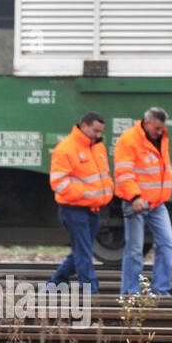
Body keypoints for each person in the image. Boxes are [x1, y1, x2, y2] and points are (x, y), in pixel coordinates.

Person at [47, 111, 115, 294]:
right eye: (95, 130)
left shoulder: (97, 147)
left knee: (82, 249)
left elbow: (104, 176)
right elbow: (59, 183)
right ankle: (90, 290)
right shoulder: (66, 148)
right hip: (73, 209)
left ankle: (55, 284)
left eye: (101, 131)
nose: (99, 135)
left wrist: (102, 194)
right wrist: (88, 195)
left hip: (93, 209)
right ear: (84, 126)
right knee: (84, 251)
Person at [116, 107, 172, 296]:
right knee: (134, 249)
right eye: (157, 128)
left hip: (157, 203)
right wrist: (134, 197)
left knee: (167, 243)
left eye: (161, 128)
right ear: (147, 122)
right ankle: (130, 292)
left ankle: (160, 290)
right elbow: (124, 172)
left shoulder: (161, 139)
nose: (160, 132)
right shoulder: (129, 140)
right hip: (136, 203)